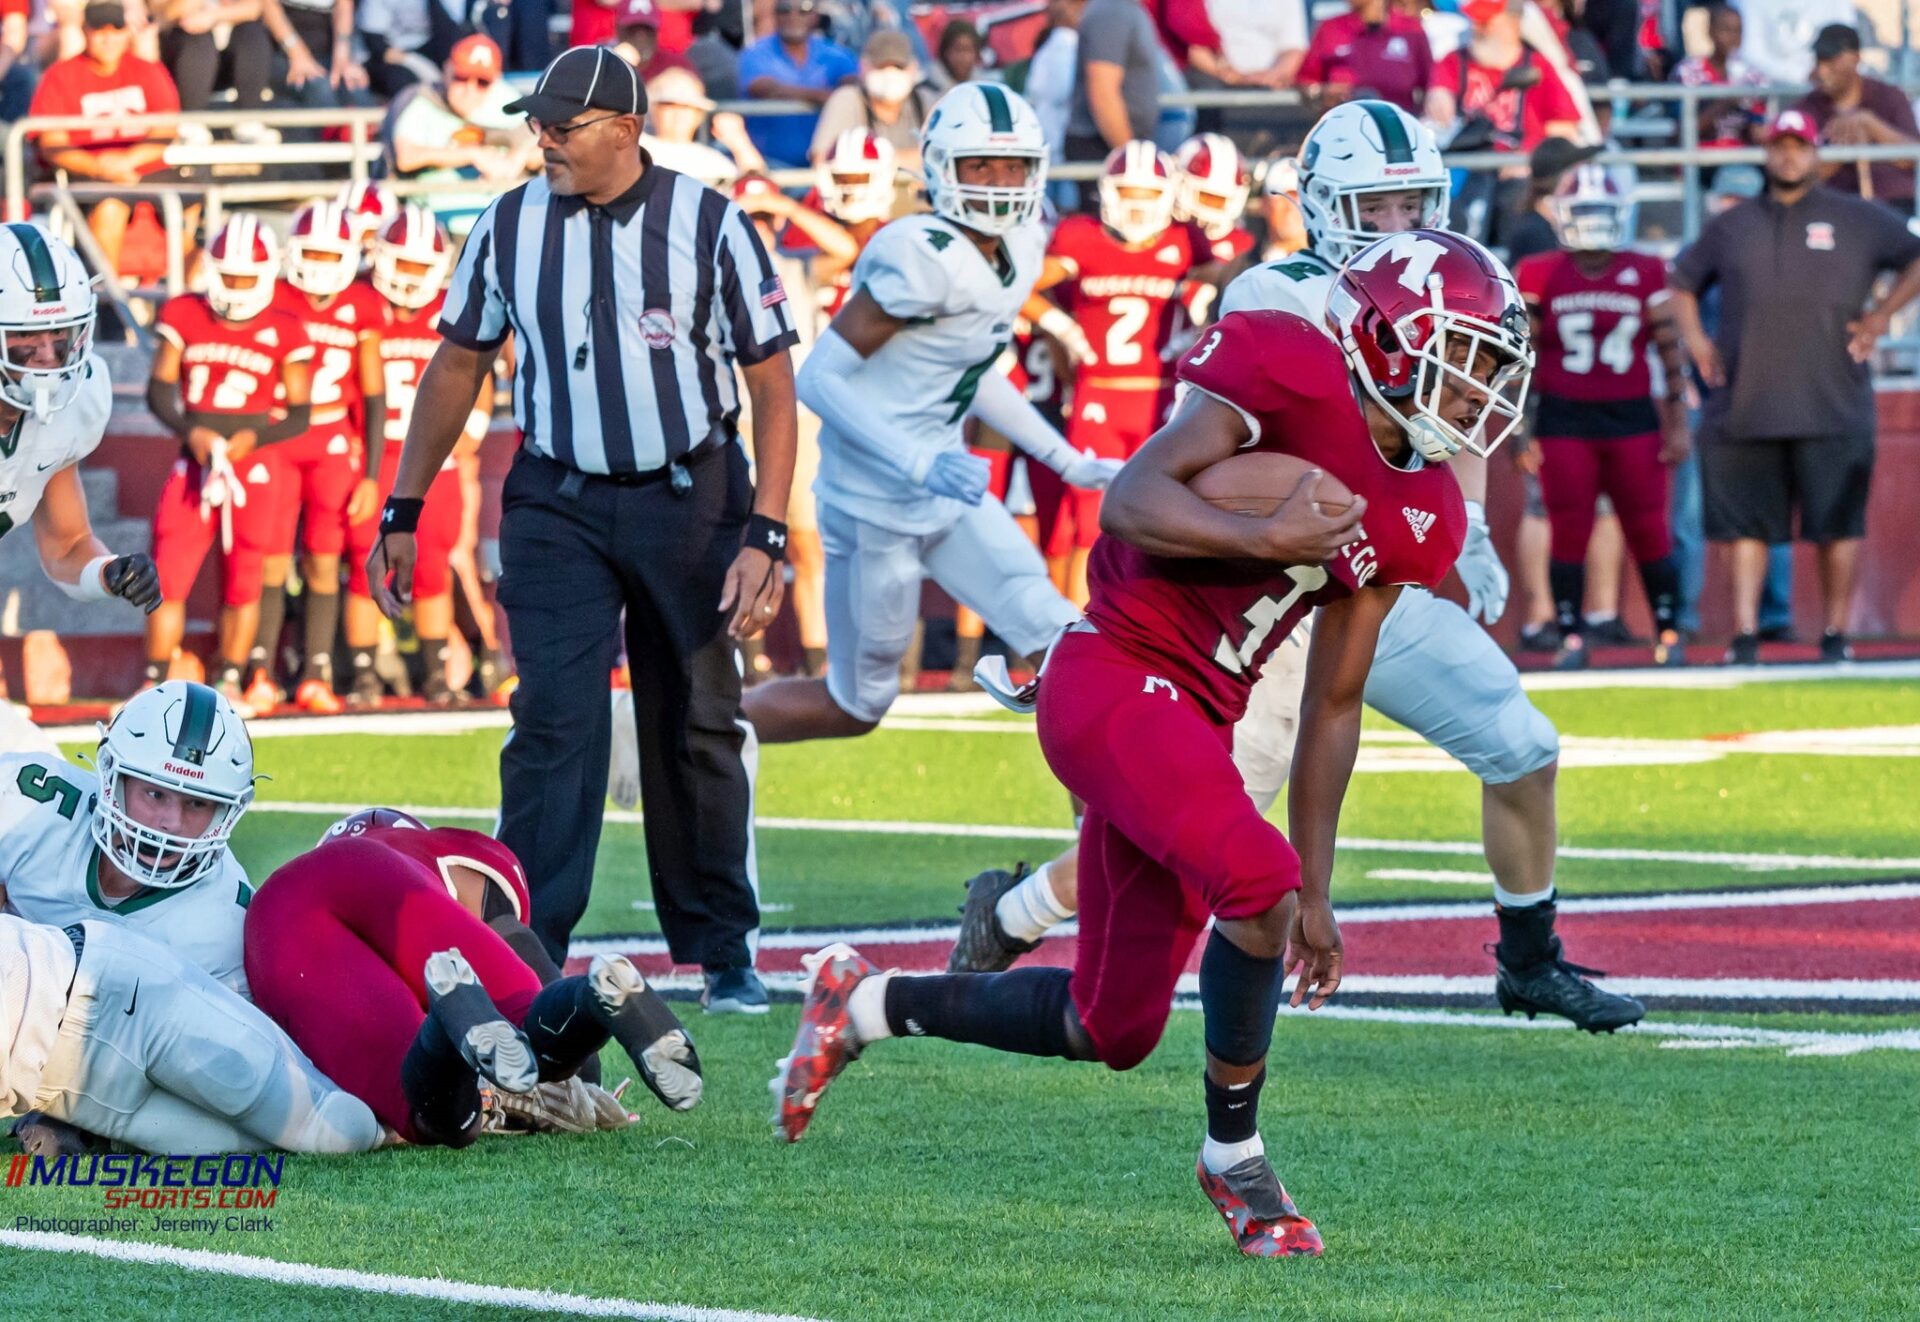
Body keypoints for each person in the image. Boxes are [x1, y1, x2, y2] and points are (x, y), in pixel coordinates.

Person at [774, 232, 1523, 1257]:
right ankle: (1236, 1157)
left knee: (1112, 1027)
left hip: (1198, 717)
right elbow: (1129, 498)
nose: (1484, 385)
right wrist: (1270, 538)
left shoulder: (1427, 508)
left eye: (1494, 361)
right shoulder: (1285, 363)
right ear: (1394, 339)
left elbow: (1334, 703)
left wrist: (1322, 884)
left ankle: (861, 1002)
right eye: (1472, 353)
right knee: (1253, 881)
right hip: (1113, 670)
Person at [957, 101, 1644, 1041]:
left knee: (1521, 745)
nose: (1401, 229)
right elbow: (1215, 466)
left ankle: (1530, 961)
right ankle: (1012, 913)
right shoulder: (1277, 299)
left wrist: (1471, 525)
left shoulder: (1446, 279)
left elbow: (1458, 407)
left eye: (1416, 204)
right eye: (1378, 206)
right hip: (1275, 597)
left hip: (1378, 577)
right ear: (1322, 205)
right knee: (1211, 836)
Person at [370, 46, 798, 1013]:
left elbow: (773, 384)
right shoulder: (509, 223)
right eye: (539, 125)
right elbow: (456, 362)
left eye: (563, 128)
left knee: (694, 718)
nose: (543, 141)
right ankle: (527, 944)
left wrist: (765, 530)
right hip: (556, 495)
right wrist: (404, 504)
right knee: (552, 720)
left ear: (627, 130)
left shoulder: (711, 224)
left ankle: (720, 945)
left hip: (689, 492)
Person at [741, 84, 1116, 747]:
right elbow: (820, 379)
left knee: (1070, 648)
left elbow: (969, 368)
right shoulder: (919, 252)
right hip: (874, 505)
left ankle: (1092, 850)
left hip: (948, 496)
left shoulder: (1021, 246)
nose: (999, 184)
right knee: (855, 705)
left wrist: (1066, 458)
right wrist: (919, 461)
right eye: (980, 166)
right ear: (942, 167)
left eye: (1012, 167)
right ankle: (680, 730)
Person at [246, 809, 700, 1148]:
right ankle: (589, 996)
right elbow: (513, 937)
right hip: (374, 877)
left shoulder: (311, 873)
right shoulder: (445, 852)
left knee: (428, 1105)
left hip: (275, 918)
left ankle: (446, 1026)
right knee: (518, 1047)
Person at [1668, 109, 1920, 665]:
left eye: (1799, 145)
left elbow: (1915, 257)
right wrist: (1698, 343)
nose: (1788, 155)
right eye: (1779, 145)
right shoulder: (1732, 225)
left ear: (1817, 154)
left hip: (1833, 402)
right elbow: (1682, 282)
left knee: (1838, 525)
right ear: (1766, 152)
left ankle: (1834, 633)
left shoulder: (1857, 217)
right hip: (1746, 401)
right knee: (1746, 527)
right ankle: (1745, 634)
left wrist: (1880, 317)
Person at [1, 910, 380, 1155]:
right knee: (296, 1143)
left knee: (336, 1129)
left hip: (116, 997)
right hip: (75, 1097)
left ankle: (399, 1096)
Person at [1023, 140, 1221, 603]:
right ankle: (1071, 637)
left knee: (1168, 526)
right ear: (1107, 193)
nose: (1135, 206)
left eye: (1146, 194)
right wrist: (1060, 325)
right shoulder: (1081, 236)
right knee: (1089, 529)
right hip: (1101, 398)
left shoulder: (1185, 240)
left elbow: (1223, 278)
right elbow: (1023, 288)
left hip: (1166, 401)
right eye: (1127, 192)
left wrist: (1197, 315)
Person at [1514, 164, 1689, 670]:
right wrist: (1520, 432)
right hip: (1564, 418)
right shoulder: (1540, 270)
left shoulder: (1648, 268)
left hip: (1632, 415)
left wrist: (1677, 423)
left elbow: (1670, 352)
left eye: (1601, 211)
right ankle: (1570, 634)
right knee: (1569, 527)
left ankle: (1668, 629)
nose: (1592, 221)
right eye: (1584, 211)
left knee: (1648, 527)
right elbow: (1522, 356)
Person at [144, 215, 313, 710]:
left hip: (254, 467)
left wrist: (251, 436)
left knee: (245, 579)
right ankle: (151, 683)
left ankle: (232, 678)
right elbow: (159, 390)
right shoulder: (184, 312)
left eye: (245, 277)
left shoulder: (285, 327)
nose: (236, 287)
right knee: (167, 574)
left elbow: (299, 413)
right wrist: (188, 430)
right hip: (194, 464)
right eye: (228, 275)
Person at [0, 682, 256, 996]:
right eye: (155, 793)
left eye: (197, 803)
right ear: (112, 778)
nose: (171, 823)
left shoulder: (226, 925)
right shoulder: (24, 802)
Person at [342, 206, 494, 708]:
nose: (407, 277)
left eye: (416, 265)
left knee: (432, 568)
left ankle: (436, 675)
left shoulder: (451, 308)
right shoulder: (360, 304)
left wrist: (470, 431)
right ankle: (362, 674)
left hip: (435, 459)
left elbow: (479, 372)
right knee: (365, 560)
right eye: (399, 263)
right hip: (376, 454)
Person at [258, 197, 386, 716]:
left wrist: (373, 475)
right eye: (312, 252)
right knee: (264, 556)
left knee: (323, 558)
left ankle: (316, 671)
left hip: (332, 434)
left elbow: (373, 392)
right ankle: (259, 671)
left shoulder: (360, 303)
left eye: (332, 254)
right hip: (276, 433)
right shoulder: (275, 294)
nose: (321, 266)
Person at [0, 223, 158, 618]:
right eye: (25, 338)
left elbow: (67, 545)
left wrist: (108, 572)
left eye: (60, 335)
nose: (49, 357)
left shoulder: (70, 408)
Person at [27, 2, 181, 274]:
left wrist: (126, 162)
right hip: (88, 175)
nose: (108, 39)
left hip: (146, 171)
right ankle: (113, 305)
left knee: (191, 206)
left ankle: (184, 295)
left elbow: (167, 128)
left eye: (116, 30)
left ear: (126, 34)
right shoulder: (60, 76)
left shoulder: (147, 70)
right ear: (86, 32)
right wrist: (100, 168)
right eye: (100, 31)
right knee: (110, 207)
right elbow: (51, 143)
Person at [383, 33, 541, 238]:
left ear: (496, 80)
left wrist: (520, 156)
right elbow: (405, 157)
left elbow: (546, 148)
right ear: (447, 70)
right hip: (434, 229)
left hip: (501, 227)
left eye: (482, 82)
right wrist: (474, 155)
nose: (470, 89)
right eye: (462, 77)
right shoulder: (423, 101)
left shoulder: (510, 102)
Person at [1424, 0, 1582, 156]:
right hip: (1468, 163)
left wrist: (1527, 159)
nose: (1477, 28)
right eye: (1475, 20)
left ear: (1513, 24)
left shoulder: (1538, 66)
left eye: (1486, 22)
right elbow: (1438, 108)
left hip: (1519, 170)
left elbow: (1564, 128)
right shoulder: (1454, 61)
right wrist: (1438, 98)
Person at [1797, 23, 1920, 209]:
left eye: (1831, 60)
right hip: (1833, 210)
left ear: (1855, 58)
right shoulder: (1807, 107)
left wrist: (1870, 124)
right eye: (1819, 61)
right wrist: (1841, 149)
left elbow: (1912, 156)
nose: (1822, 70)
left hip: (1894, 207)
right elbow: (1796, 175)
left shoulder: (1889, 96)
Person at [737, 0, 857, 168]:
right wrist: (822, 96)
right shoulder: (755, 53)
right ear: (775, 15)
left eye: (803, 9)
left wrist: (838, 97)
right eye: (784, 9)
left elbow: (855, 88)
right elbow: (763, 88)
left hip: (826, 167)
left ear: (815, 16)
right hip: (768, 166)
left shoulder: (835, 53)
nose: (793, 16)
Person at [808, 28, 935, 169]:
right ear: (864, 67)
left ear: (913, 68)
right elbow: (821, 160)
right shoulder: (847, 99)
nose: (890, 74)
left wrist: (876, 160)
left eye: (898, 67)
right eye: (881, 66)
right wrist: (912, 159)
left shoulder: (927, 101)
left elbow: (944, 158)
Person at [1064, 0, 1159, 165]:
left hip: (1117, 146)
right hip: (1102, 146)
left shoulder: (1123, 8)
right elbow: (1103, 94)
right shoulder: (1112, 10)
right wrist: (1133, 162)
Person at [1296, 0, 1432, 113]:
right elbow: (1306, 81)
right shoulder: (1330, 28)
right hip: (1343, 125)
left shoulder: (1411, 30)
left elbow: (1431, 83)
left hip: (1396, 127)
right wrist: (1322, 93)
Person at [641, 66, 767, 187]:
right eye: (669, 105)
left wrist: (739, 141)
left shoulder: (712, 160)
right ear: (653, 110)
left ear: (699, 114)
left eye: (686, 107)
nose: (678, 114)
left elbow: (756, 185)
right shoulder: (635, 149)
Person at [1669, 3, 1767, 152]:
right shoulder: (1687, 72)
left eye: (1738, 31)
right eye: (1726, 30)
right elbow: (1681, 133)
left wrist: (1755, 121)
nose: (1733, 38)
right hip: (1699, 155)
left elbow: (1758, 132)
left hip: (1741, 156)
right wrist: (1726, 102)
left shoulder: (1753, 76)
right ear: (1710, 31)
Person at [152, 0, 271, 121]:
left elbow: (253, 9)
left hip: (225, 60)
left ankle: (249, 120)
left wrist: (214, 16)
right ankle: (191, 121)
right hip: (183, 56)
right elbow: (170, 13)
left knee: (252, 33)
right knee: (198, 39)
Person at [1173, 132, 1256, 264]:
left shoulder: (1244, 247)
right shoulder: (1162, 238)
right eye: (1206, 196)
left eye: (1220, 200)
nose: (1211, 207)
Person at [609, 0, 692, 80]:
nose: (640, 37)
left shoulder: (674, 64)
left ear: (657, 31)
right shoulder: (604, 63)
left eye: (647, 29)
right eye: (633, 29)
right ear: (618, 30)